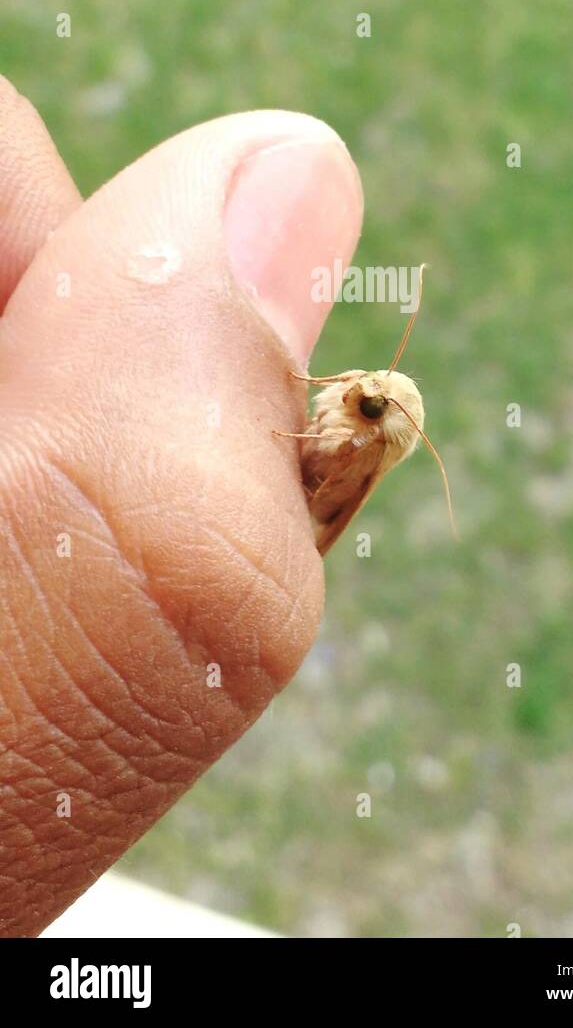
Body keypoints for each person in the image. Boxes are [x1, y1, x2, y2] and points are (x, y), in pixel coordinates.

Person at [0, 73, 363, 936]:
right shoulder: (349, 400)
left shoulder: (357, 439)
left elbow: (320, 474)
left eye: (366, 404)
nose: (352, 395)